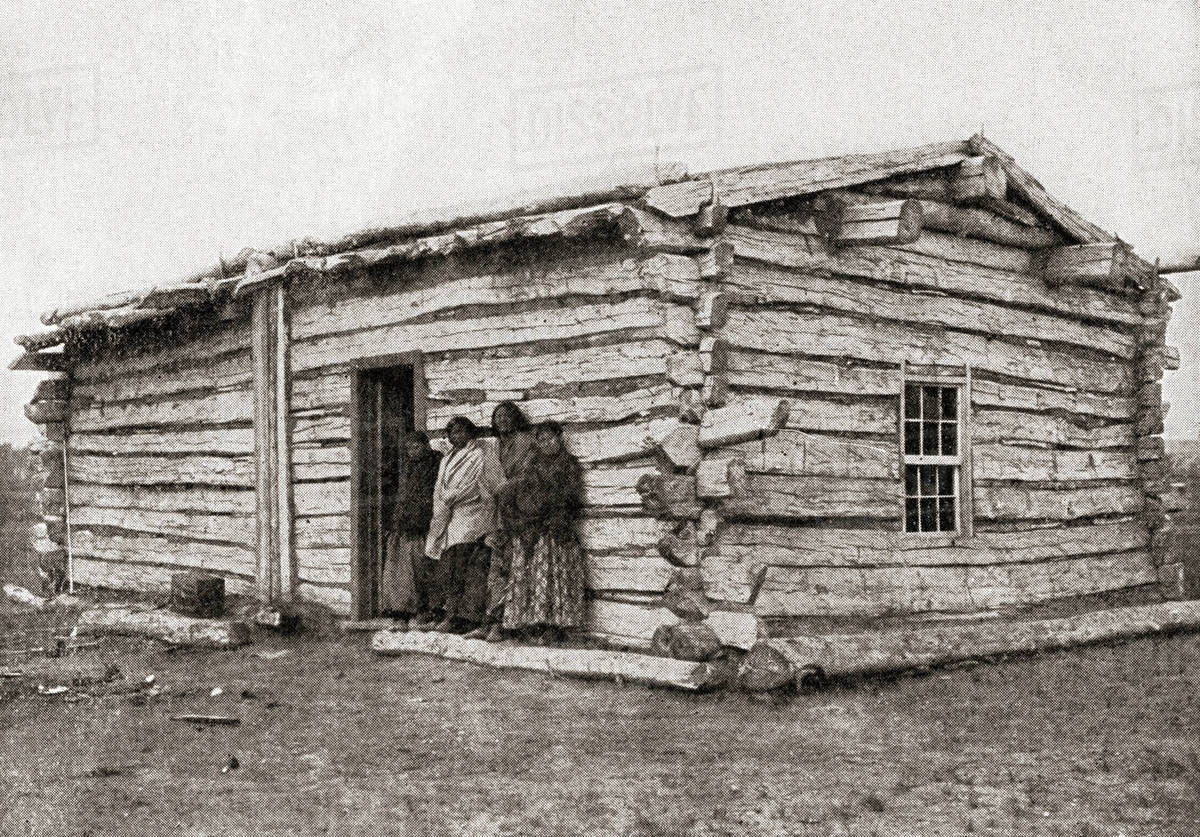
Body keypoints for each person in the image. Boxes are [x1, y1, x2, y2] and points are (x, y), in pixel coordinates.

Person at [494, 420, 586, 644]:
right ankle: (534, 624)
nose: (546, 443)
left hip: (556, 526)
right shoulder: (532, 465)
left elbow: (571, 497)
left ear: (559, 438)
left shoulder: (568, 465)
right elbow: (518, 491)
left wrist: (548, 507)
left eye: (550, 438)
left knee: (555, 577)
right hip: (533, 526)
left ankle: (555, 626)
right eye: (542, 440)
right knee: (534, 576)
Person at [466, 401, 536, 642]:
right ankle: (490, 622)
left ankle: (507, 624)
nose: (502, 420)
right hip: (495, 514)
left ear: (516, 418)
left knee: (514, 567)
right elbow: (483, 478)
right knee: (494, 567)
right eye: (498, 416)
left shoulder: (527, 442)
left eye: (507, 415)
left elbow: (529, 474)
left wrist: (508, 486)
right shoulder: (492, 447)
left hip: (519, 512)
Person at [424, 416, 501, 633]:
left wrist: (449, 497)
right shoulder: (447, 458)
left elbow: (474, 485)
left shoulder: (479, 455)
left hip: (472, 515)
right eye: (452, 432)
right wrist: (443, 501)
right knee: (450, 569)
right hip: (450, 517)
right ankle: (452, 615)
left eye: (460, 431)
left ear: (470, 433)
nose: (456, 436)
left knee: (467, 568)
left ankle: (468, 618)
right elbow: (439, 487)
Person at [382, 431, 442, 628]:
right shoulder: (408, 467)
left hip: (423, 524)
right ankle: (401, 615)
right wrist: (397, 520)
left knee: (421, 569)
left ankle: (424, 612)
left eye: (416, 447)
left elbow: (433, 494)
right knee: (400, 572)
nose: (412, 451)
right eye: (408, 448)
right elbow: (403, 495)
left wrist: (419, 518)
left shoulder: (436, 463)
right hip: (404, 524)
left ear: (426, 445)